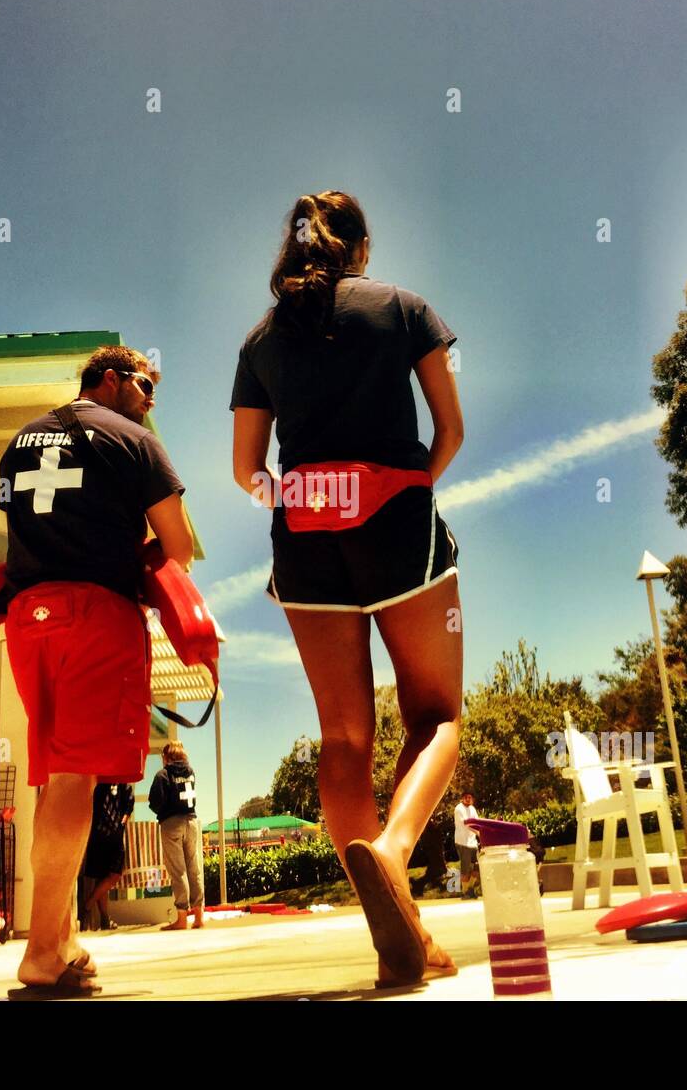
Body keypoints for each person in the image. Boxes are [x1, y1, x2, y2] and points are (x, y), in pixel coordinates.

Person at [230, 191, 465, 986]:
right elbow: (451, 430)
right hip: (398, 519)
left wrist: (303, 500)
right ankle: (394, 857)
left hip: (302, 539)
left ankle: (398, 935)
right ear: (359, 247)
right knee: (436, 715)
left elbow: (245, 471)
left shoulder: (260, 340)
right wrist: (405, 492)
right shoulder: (404, 308)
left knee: (341, 740)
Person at [0, 345, 193, 996]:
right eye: (144, 386)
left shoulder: (21, 440)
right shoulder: (134, 442)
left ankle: (58, 941)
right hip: (93, 614)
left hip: (28, 619)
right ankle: (40, 953)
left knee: (53, 783)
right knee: (76, 781)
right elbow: (180, 546)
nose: (150, 401)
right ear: (109, 380)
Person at [149, 741, 204, 931]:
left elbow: (155, 801)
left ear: (167, 756)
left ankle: (181, 919)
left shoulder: (163, 774)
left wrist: (162, 810)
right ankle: (198, 917)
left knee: (178, 871)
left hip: (172, 825)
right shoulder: (190, 773)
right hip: (191, 822)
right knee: (193, 869)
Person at [78, 782, 134, 931]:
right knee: (101, 876)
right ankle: (104, 919)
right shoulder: (99, 784)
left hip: (115, 837)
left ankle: (87, 905)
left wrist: (120, 825)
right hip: (98, 836)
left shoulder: (125, 786)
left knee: (115, 874)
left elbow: (128, 808)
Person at [453, 792, 480, 896]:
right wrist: (478, 833)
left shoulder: (472, 809)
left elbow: (477, 822)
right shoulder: (459, 809)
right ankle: (465, 892)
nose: (468, 799)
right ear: (462, 799)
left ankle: (470, 889)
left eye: (470, 797)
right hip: (463, 842)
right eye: (466, 797)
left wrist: (483, 831)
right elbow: (467, 824)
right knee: (466, 869)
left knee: (477, 866)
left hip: (473, 843)